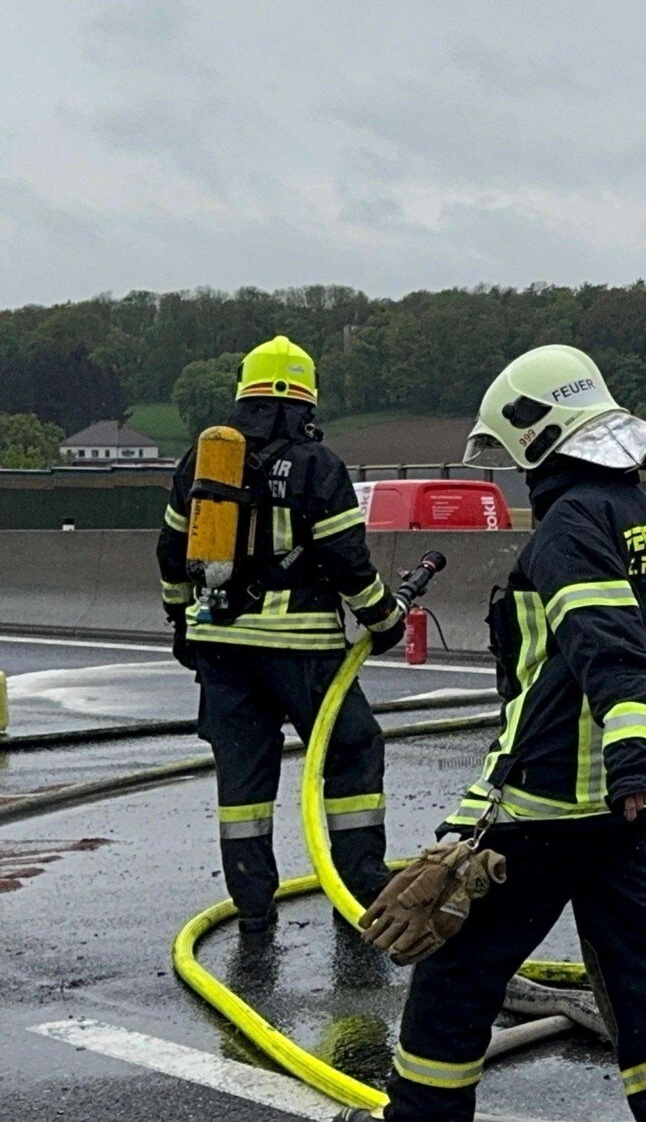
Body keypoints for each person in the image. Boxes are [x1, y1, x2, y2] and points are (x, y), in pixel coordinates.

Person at [380, 345, 646, 1122]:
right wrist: (640, 780)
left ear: (537, 434)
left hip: (541, 811)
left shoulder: (569, 525)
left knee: (451, 987)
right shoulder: (643, 514)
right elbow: (641, 652)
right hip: (636, 818)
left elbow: (614, 651)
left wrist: (629, 760)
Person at [155, 335, 403, 934]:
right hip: (304, 651)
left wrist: (183, 625)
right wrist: (383, 619)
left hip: (220, 644)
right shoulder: (318, 466)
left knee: (242, 779)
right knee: (352, 749)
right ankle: (360, 893)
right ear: (305, 400)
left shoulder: (202, 460)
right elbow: (348, 560)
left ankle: (253, 910)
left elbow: (171, 553)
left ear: (245, 392)